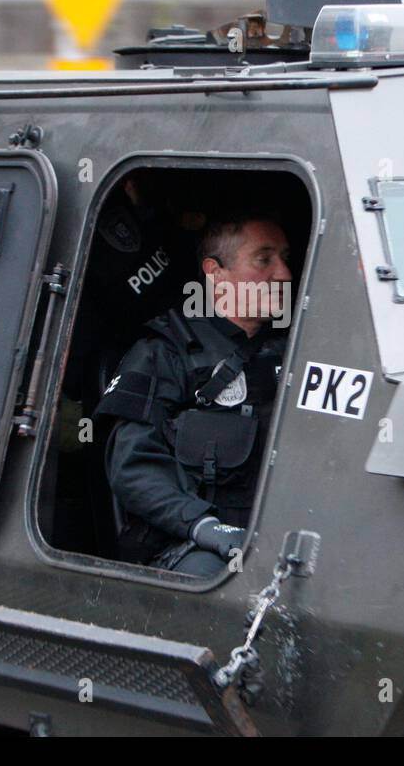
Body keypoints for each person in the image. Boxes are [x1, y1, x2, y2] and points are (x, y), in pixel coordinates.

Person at [95, 211, 293, 576]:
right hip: (191, 541)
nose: (283, 274)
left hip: (284, 537)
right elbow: (132, 468)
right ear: (216, 274)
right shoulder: (165, 352)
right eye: (264, 259)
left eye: (284, 258)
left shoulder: (301, 348)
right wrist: (203, 526)